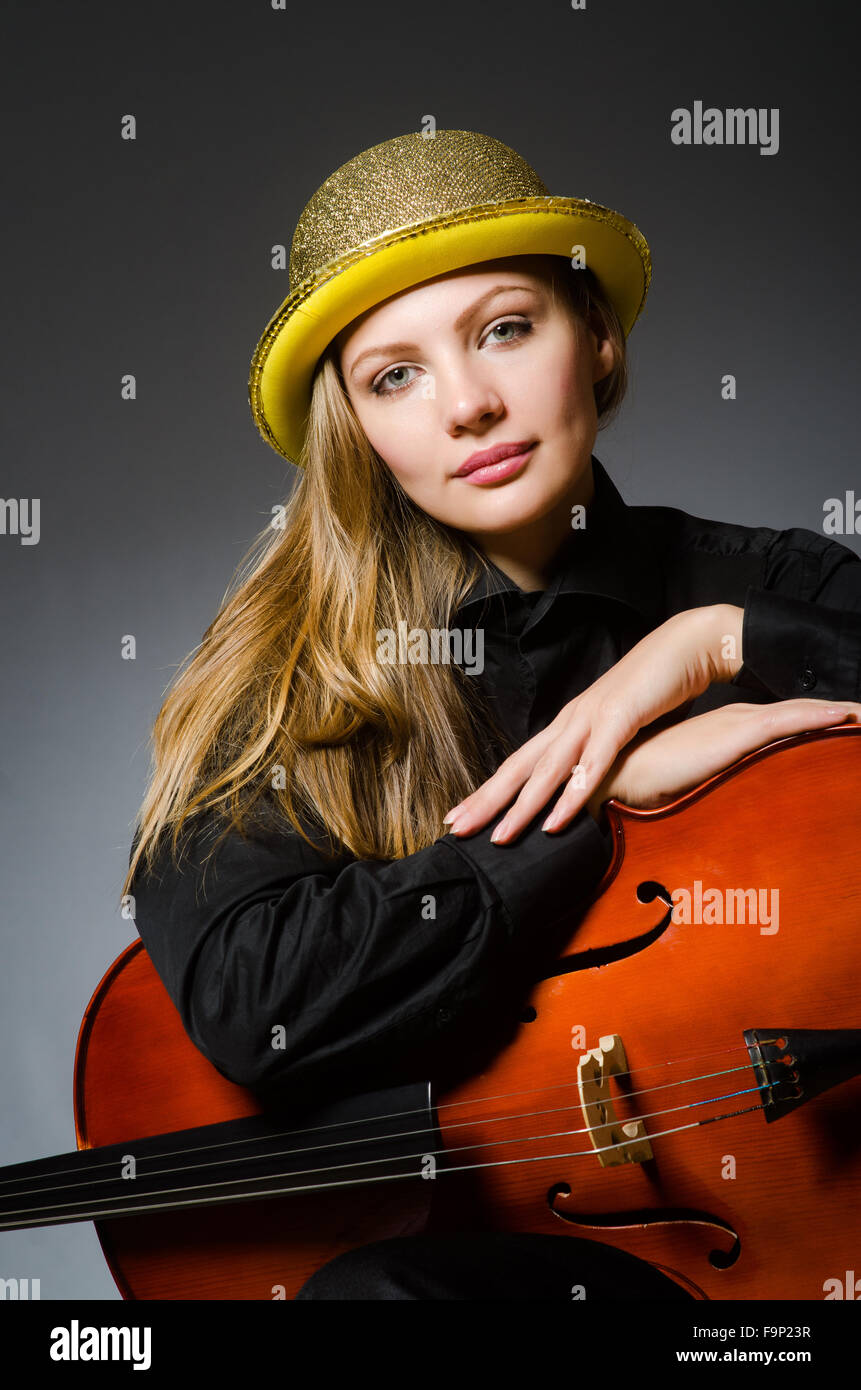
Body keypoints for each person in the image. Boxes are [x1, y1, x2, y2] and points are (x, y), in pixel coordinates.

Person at [123, 129, 861, 1300]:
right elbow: (252, 1001)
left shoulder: (763, 580)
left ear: (598, 337)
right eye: (395, 375)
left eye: (506, 328)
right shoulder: (284, 680)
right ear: (356, 429)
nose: (468, 404)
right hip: (546, 1258)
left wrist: (711, 643)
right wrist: (607, 803)